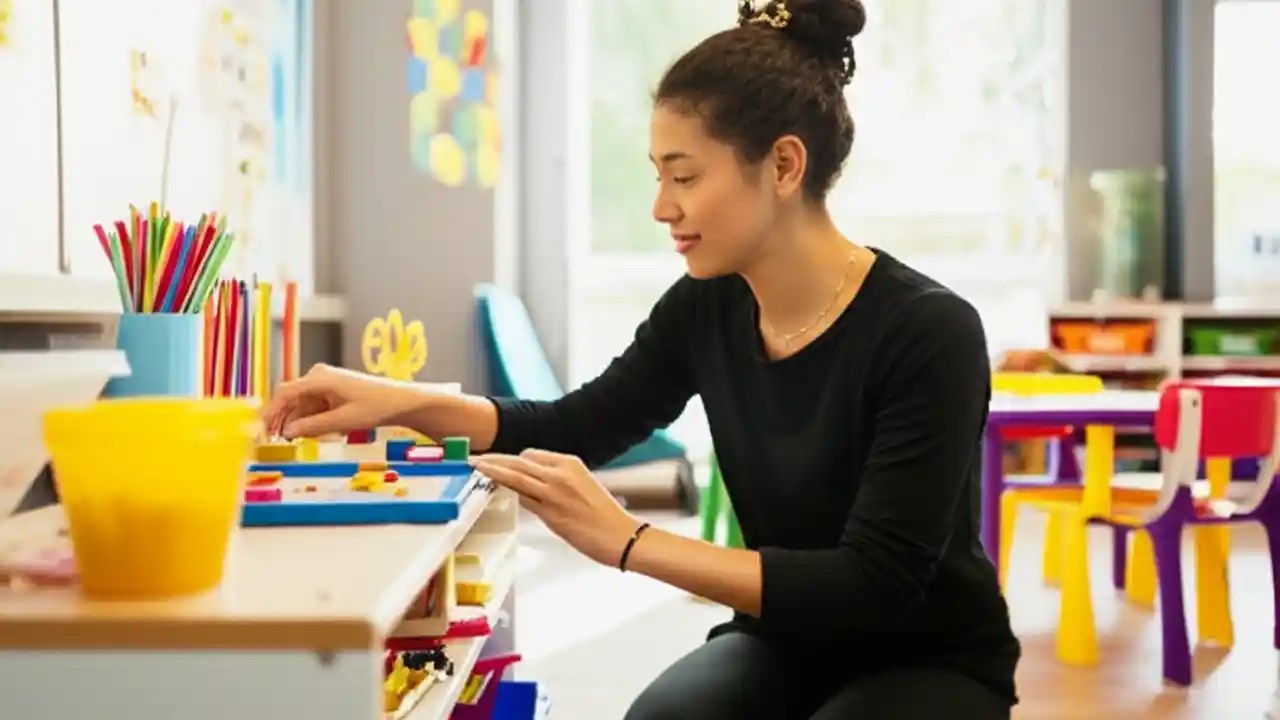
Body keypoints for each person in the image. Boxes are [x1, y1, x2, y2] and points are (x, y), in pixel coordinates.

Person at [262, 0, 1020, 716]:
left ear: (784, 167)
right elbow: (580, 423)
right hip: (787, 638)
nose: (662, 206)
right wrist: (400, 400)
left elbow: (874, 585)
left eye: (684, 176)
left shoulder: (930, 332)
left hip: (928, 657)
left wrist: (630, 542)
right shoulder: (707, 306)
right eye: (658, 174)